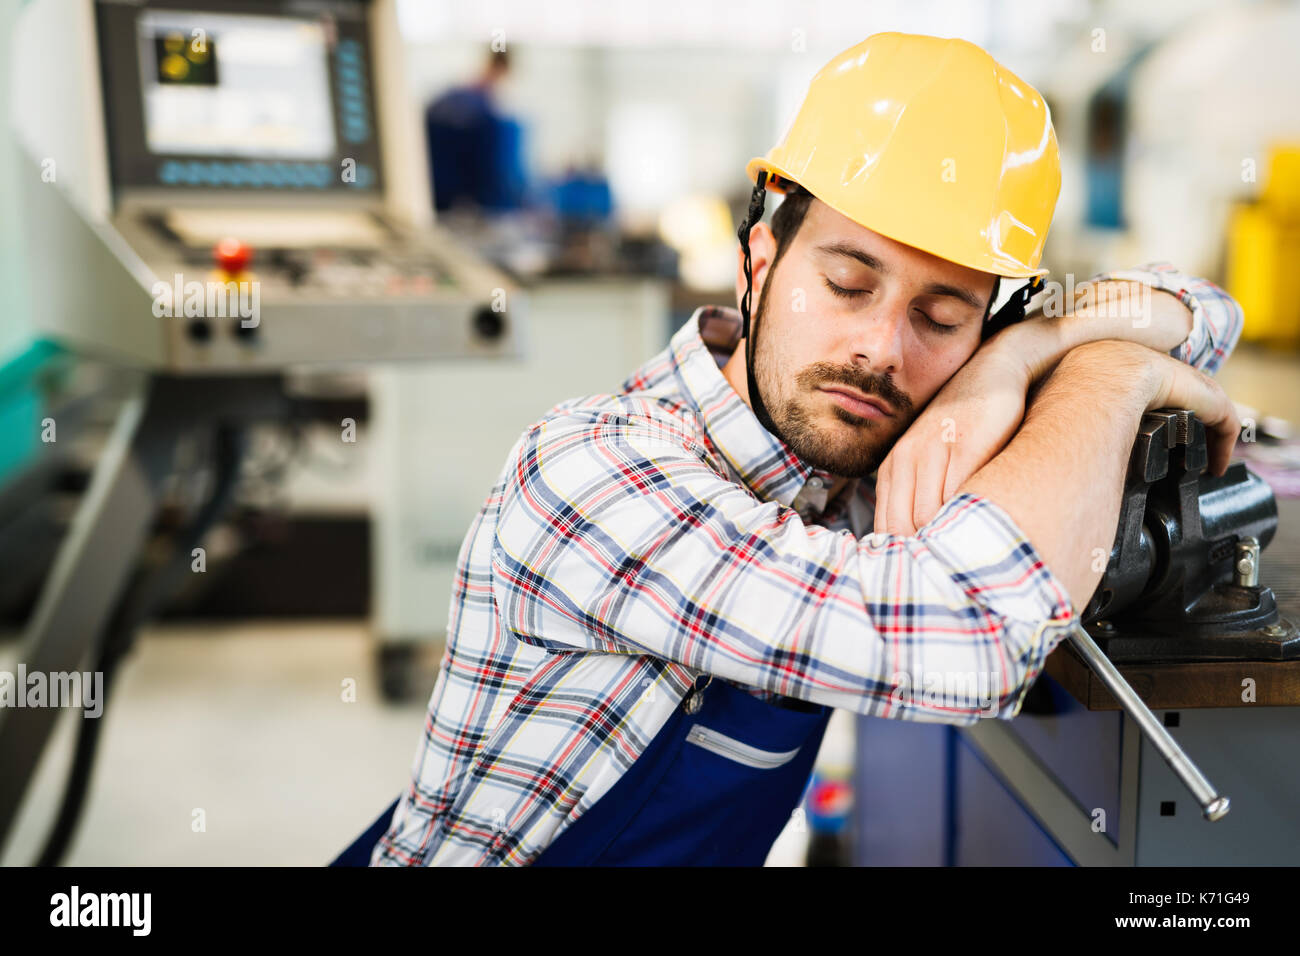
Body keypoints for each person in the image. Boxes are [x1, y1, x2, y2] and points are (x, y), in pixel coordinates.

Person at [371, 33, 1243, 866]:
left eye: (940, 318)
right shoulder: (589, 471)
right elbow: (968, 639)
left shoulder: (865, 460)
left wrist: (1018, 358)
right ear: (758, 265)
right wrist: (1107, 380)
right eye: (846, 284)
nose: (881, 350)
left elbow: (1202, 308)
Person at [424, 48, 524, 213]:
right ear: (502, 71)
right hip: (462, 200)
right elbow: (492, 172)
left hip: (436, 192)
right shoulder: (487, 115)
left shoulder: (447, 99)